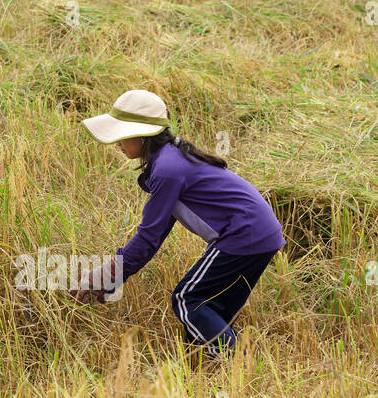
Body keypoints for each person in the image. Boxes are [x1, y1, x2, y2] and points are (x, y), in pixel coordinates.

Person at [72, 90, 286, 357]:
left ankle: (237, 364)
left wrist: (107, 274)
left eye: (122, 134)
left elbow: (148, 237)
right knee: (210, 308)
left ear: (143, 135)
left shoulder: (167, 169)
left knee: (188, 299)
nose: (117, 142)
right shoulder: (170, 158)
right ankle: (208, 370)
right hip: (259, 233)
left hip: (243, 235)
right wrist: (113, 278)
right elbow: (156, 236)